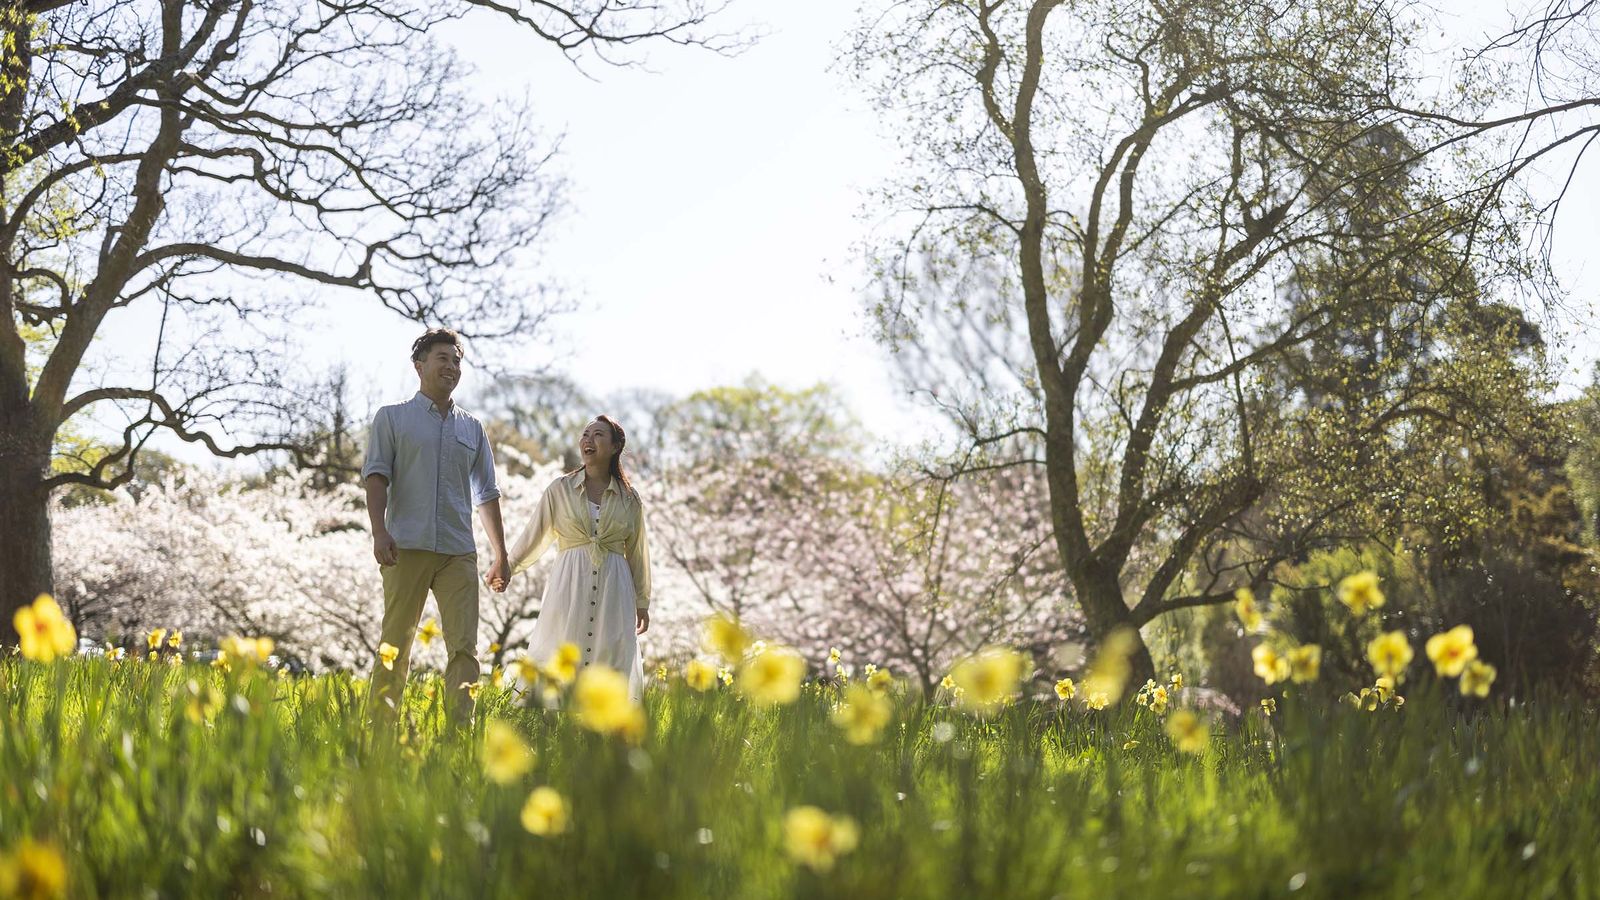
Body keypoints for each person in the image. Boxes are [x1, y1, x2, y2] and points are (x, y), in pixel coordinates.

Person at [362, 328, 509, 729]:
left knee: (464, 649)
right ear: (420, 365)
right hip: (405, 546)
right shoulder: (392, 418)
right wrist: (379, 531)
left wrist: (501, 554)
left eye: (457, 360)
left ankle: (460, 737)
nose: (451, 366)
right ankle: (380, 739)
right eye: (443, 358)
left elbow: (487, 493)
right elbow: (377, 477)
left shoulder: (473, 429)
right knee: (395, 645)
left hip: (459, 552)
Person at [503, 415, 653, 699]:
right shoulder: (559, 489)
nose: (588, 440)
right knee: (561, 644)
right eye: (585, 434)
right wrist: (508, 566)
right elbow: (534, 534)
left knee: (610, 650)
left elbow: (637, 551)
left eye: (598, 435)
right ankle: (548, 718)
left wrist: (642, 601)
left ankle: (604, 724)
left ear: (615, 446)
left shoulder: (630, 499)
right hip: (570, 580)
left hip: (615, 585)